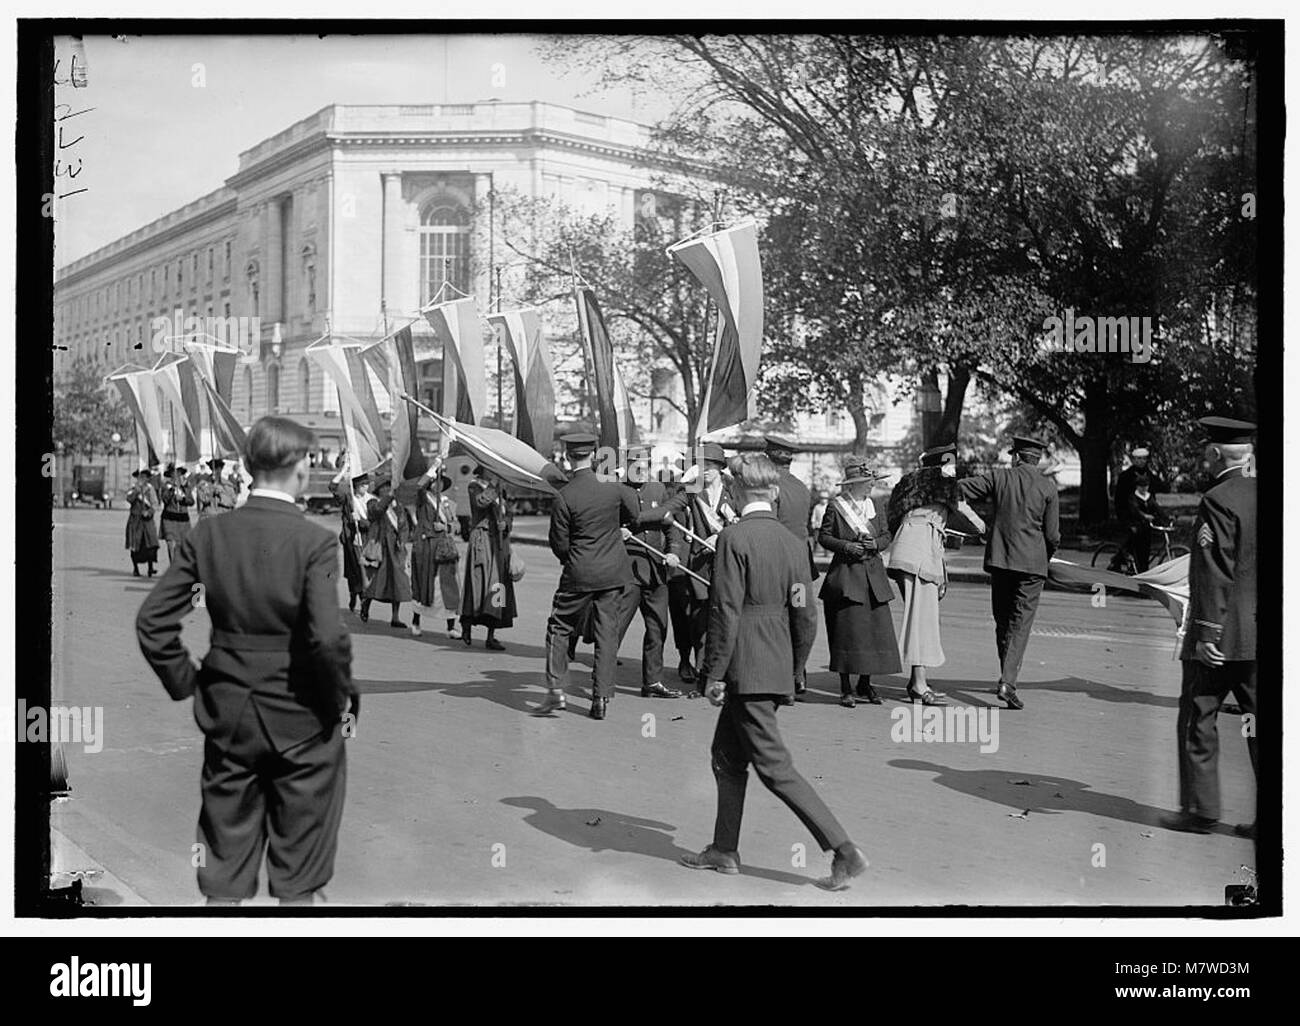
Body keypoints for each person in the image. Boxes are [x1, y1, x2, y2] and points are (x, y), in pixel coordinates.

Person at [135, 415, 356, 904]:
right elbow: (326, 639)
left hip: (229, 713)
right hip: (302, 719)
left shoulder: (209, 536)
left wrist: (190, 682)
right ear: (298, 468)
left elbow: (153, 622)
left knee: (223, 867)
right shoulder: (315, 542)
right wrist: (341, 697)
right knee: (300, 874)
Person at [680, 453, 870, 890]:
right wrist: (795, 666)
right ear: (773, 491)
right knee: (726, 757)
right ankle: (723, 850)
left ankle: (844, 849)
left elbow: (725, 612)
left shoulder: (733, 538)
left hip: (744, 669)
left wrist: (713, 674)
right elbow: (805, 614)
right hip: (774, 664)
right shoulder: (793, 544)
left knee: (774, 767)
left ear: (736, 490)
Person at [1163, 417, 1257, 836]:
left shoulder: (1219, 499)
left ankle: (1202, 810)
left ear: (1218, 454)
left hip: (1222, 637)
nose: (1204, 456)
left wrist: (1205, 633)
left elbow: (1215, 570)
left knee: (1199, 716)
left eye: (1206, 450)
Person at [535, 433, 638, 719]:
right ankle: (601, 698)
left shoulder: (564, 495)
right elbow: (634, 514)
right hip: (613, 572)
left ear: (568, 457)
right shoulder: (613, 487)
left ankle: (556, 691)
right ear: (594, 455)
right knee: (607, 633)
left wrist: (571, 559)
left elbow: (559, 542)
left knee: (558, 627)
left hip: (579, 572)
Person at [959, 435, 1060, 710]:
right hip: (1032, 565)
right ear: (1037, 460)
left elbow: (961, 489)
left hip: (1001, 560)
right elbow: (1052, 535)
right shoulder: (1048, 487)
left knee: (1002, 620)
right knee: (1020, 624)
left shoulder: (998, 478)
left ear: (1016, 457)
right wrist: (1045, 558)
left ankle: (1006, 676)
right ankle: (1008, 682)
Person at [886, 443, 987, 705]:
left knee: (917, 617)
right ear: (944, 464)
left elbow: (893, 516)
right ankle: (919, 685)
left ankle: (915, 680)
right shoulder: (945, 483)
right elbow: (972, 522)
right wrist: (984, 528)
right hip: (922, 553)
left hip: (903, 549)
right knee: (922, 621)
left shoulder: (907, 483)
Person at [817, 459, 901, 707]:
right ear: (855, 484)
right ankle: (846, 687)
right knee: (847, 633)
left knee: (874, 633)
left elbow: (887, 535)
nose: (872, 485)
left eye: (872, 481)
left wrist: (876, 544)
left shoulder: (876, 505)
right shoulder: (836, 507)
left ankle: (865, 682)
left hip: (874, 578)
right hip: (846, 577)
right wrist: (846, 546)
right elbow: (824, 536)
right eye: (868, 482)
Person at [663, 441, 739, 692]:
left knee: (719, 619)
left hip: (725, 563)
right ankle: (691, 664)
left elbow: (743, 522)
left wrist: (721, 536)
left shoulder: (734, 492)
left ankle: (711, 671)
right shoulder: (692, 490)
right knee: (693, 619)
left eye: (711, 466)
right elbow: (670, 510)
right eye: (702, 465)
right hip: (696, 565)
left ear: (720, 468)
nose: (705, 470)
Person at [615, 445, 685, 700]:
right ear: (628, 466)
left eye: (646, 466)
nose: (643, 472)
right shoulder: (616, 490)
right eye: (637, 467)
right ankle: (601, 677)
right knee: (616, 627)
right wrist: (617, 532)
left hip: (656, 571)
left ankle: (653, 682)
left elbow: (669, 526)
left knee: (658, 628)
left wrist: (674, 551)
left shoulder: (657, 489)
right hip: (628, 572)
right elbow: (602, 524)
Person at [765, 434, 820, 697]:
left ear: (768, 456)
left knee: (776, 617)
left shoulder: (768, 487)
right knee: (802, 615)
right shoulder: (801, 487)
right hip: (800, 567)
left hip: (775, 566)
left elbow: (768, 526)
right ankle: (799, 673)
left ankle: (782, 676)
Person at [460, 464, 516, 650]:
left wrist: (505, 524)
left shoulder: (501, 490)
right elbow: (480, 502)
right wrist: (494, 484)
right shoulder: (474, 486)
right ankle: (467, 623)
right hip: (482, 540)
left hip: (499, 542)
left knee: (497, 586)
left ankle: (491, 633)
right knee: (479, 583)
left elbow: (509, 513)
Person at [409, 463, 461, 639]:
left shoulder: (448, 504)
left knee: (448, 586)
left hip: (444, 550)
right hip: (427, 548)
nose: (437, 486)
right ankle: (416, 622)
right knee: (424, 586)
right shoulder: (423, 501)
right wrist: (432, 469)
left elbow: (457, 526)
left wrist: (445, 525)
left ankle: (451, 627)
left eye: (440, 483)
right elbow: (418, 487)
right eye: (434, 482)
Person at [361, 477, 414, 629]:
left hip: (396, 550)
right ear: (378, 490)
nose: (387, 490)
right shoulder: (373, 503)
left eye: (389, 487)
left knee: (397, 581)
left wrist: (402, 541)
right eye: (384, 488)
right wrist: (388, 497)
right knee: (377, 580)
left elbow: (404, 526)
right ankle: (366, 603)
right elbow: (376, 512)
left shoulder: (399, 506)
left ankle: (395, 617)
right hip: (381, 547)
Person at [329, 457, 372, 614]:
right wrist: (344, 470)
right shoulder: (349, 498)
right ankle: (356, 596)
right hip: (351, 539)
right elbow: (333, 487)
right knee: (354, 570)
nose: (365, 488)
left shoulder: (371, 500)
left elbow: (374, 520)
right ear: (355, 486)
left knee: (366, 571)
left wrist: (361, 521)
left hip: (367, 539)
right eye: (362, 485)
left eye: (366, 484)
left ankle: (364, 598)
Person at [1113, 468, 1170, 573]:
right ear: (1137, 486)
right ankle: (1120, 559)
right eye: (1141, 486)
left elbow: (1157, 508)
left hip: (1146, 526)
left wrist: (1167, 517)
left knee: (1145, 550)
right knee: (1134, 544)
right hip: (1134, 524)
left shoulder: (1149, 497)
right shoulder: (1133, 497)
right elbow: (1135, 510)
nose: (1144, 488)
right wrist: (1144, 516)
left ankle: (1143, 570)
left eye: (1146, 486)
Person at [124, 469, 160, 577]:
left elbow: (154, 503)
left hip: (147, 521)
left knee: (151, 544)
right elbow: (129, 499)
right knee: (135, 545)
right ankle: (136, 568)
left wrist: (149, 512)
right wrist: (137, 491)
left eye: (145, 477)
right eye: (140, 477)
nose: (142, 479)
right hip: (135, 520)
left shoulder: (150, 489)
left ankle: (150, 567)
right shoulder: (133, 488)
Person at [159, 463, 195, 564]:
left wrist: (183, 498)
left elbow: (191, 502)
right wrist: (172, 491)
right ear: (170, 475)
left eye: (178, 473)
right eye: (174, 473)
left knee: (181, 547)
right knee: (171, 544)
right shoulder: (166, 486)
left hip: (183, 520)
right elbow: (165, 499)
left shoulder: (185, 487)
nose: (176, 476)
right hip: (169, 518)